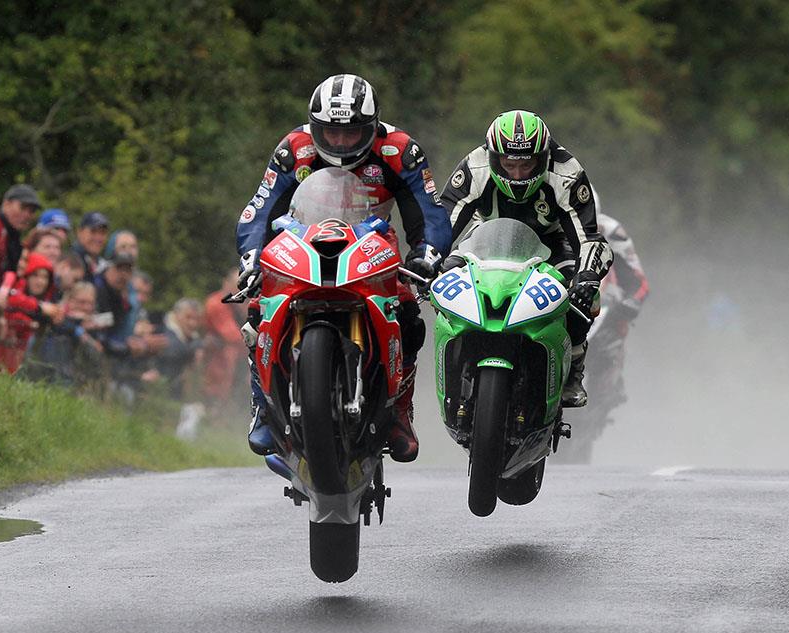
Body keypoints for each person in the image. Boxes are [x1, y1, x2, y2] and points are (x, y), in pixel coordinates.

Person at [235, 73, 452, 461]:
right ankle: (263, 406)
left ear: (372, 126)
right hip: (302, 242)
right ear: (315, 127)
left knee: (409, 316)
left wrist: (426, 254)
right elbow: (260, 210)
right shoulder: (293, 149)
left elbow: (430, 213)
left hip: (371, 245)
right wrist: (251, 258)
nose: (340, 142)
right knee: (256, 309)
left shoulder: (399, 151)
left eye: (352, 134)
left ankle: (400, 410)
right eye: (331, 133)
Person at [439, 110, 612, 407]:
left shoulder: (567, 172)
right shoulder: (474, 167)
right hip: (487, 236)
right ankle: (455, 362)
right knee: (443, 275)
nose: (517, 175)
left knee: (584, 297)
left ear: (543, 158)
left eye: (526, 165)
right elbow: (442, 224)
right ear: (493, 158)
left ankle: (573, 370)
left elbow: (590, 238)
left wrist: (586, 278)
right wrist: (430, 259)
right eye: (508, 165)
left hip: (553, 242)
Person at [203, 268, 246, 412]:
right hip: (215, 363)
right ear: (226, 284)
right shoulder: (217, 303)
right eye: (237, 286)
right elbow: (233, 337)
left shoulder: (237, 305)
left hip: (235, 365)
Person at [0, 184, 41, 280]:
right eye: (23, 207)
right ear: (6, 204)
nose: (27, 215)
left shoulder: (13, 234)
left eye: (32, 211)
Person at [71, 211, 110, 279]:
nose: (98, 238)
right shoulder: (70, 262)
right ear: (79, 232)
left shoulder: (105, 265)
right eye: (93, 231)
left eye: (103, 233)